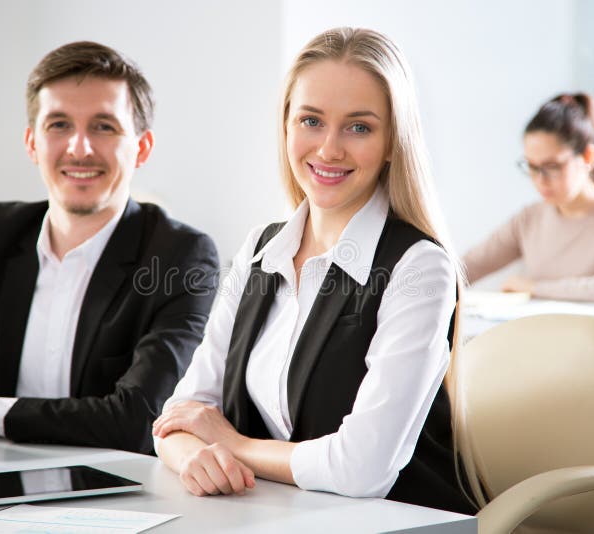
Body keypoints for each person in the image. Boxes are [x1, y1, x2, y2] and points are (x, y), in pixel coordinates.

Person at [151, 27, 475, 514]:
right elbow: (178, 417)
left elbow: (361, 469)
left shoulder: (420, 266)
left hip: (398, 521)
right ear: (286, 126)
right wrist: (194, 456)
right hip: (275, 516)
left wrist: (232, 445)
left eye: (359, 127)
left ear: (393, 142)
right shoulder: (261, 249)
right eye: (311, 121)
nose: (328, 149)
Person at [0, 41, 219, 454]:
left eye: (104, 126)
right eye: (59, 125)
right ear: (32, 143)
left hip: (122, 484)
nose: (79, 148)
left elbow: (140, 417)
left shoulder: (180, 255)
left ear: (142, 148)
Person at [463, 93, 594, 333]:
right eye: (532, 167)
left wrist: (533, 287)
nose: (540, 180)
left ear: (588, 157)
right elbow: (467, 267)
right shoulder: (530, 218)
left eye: (552, 167)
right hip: (548, 342)